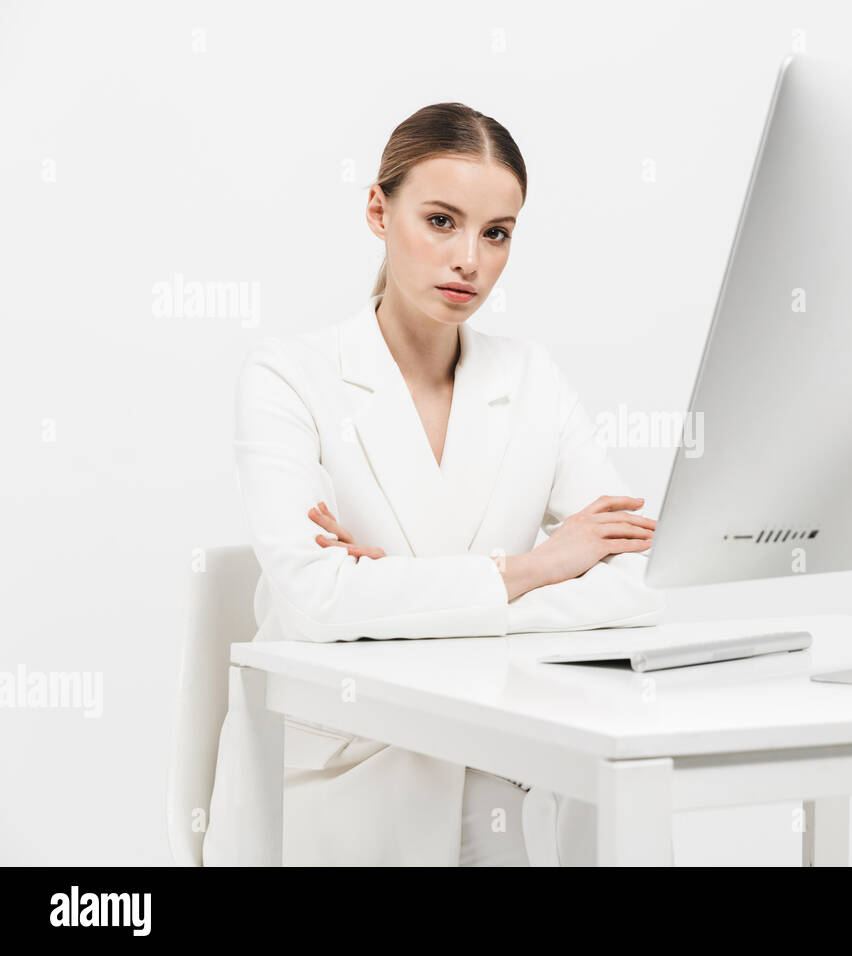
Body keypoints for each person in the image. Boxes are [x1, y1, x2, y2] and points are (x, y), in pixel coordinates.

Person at [202, 102, 665, 866]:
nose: (470, 261)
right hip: (348, 776)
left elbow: (638, 583)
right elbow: (316, 603)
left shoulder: (532, 379)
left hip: (498, 770)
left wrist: (399, 597)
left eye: (496, 233)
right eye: (441, 221)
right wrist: (537, 567)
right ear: (379, 212)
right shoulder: (289, 375)